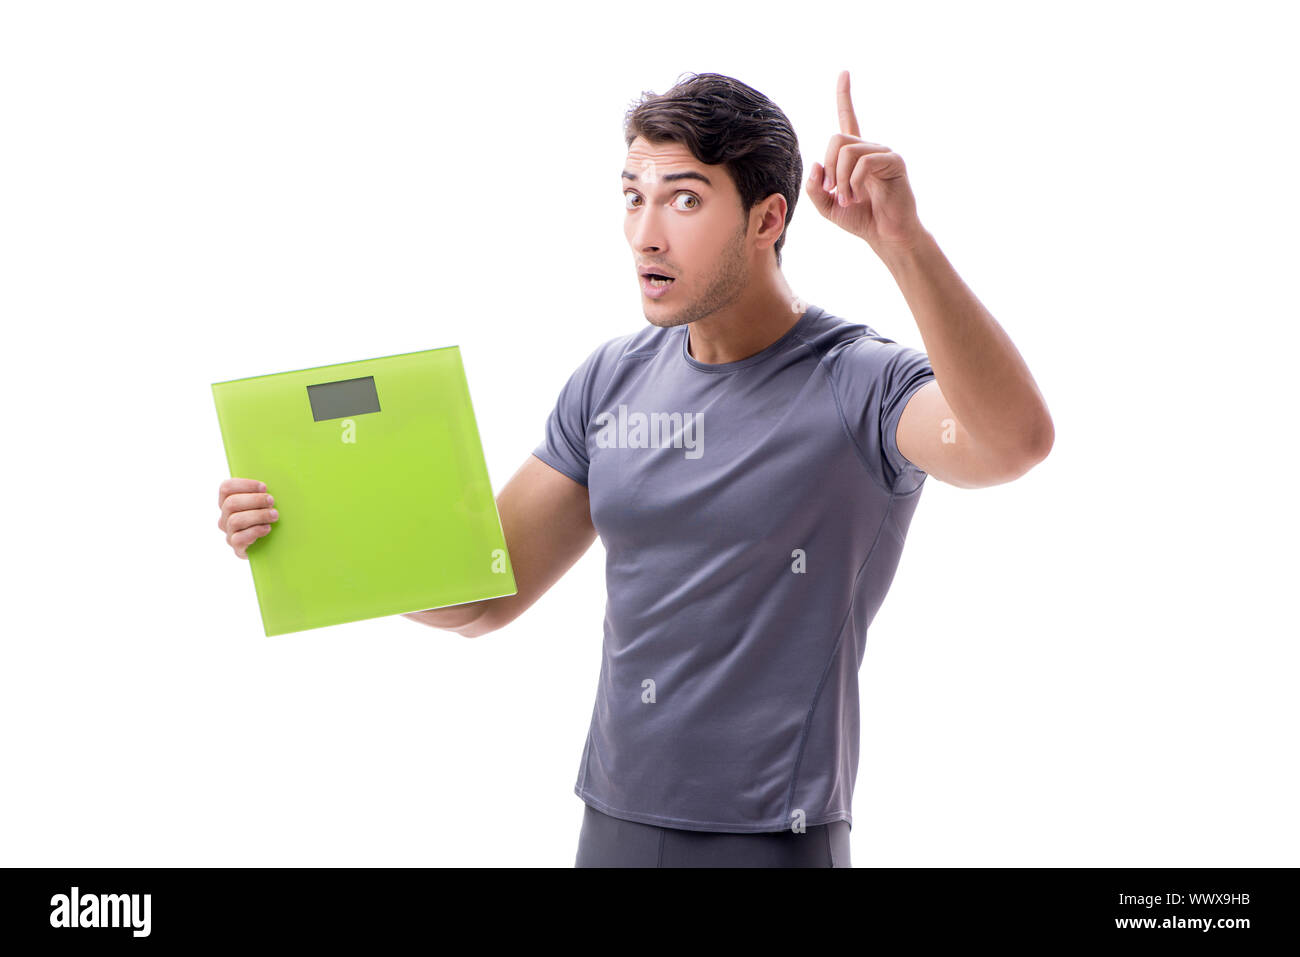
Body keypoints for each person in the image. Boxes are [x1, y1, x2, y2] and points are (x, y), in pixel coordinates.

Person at [217, 70, 1053, 867]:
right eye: (633, 195)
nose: (645, 232)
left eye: (684, 198)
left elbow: (1012, 443)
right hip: (611, 822)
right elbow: (481, 595)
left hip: (771, 835)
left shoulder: (860, 379)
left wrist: (904, 246)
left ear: (768, 219)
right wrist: (309, 525)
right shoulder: (612, 377)